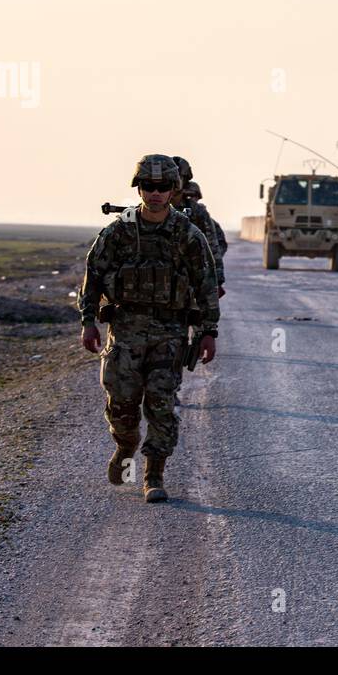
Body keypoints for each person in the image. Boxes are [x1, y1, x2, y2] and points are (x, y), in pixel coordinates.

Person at [78, 154, 219, 502]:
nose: (154, 193)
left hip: (169, 333)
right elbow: (93, 275)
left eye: (162, 187)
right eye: (148, 186)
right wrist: (87, 322)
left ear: (174, 191)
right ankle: (125, 444)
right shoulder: (120, 231)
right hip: (125, 331)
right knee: (121, 404)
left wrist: (208, 332)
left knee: (161, 404)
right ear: (138, 189)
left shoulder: (188, 234)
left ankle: (153, 475)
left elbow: (206, 284)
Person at [171, 156, 227, 295]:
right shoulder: (151, 208)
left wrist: (217, 281)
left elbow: (213, 246)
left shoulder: (197, 212)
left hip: (189, 277)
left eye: (177, 180)